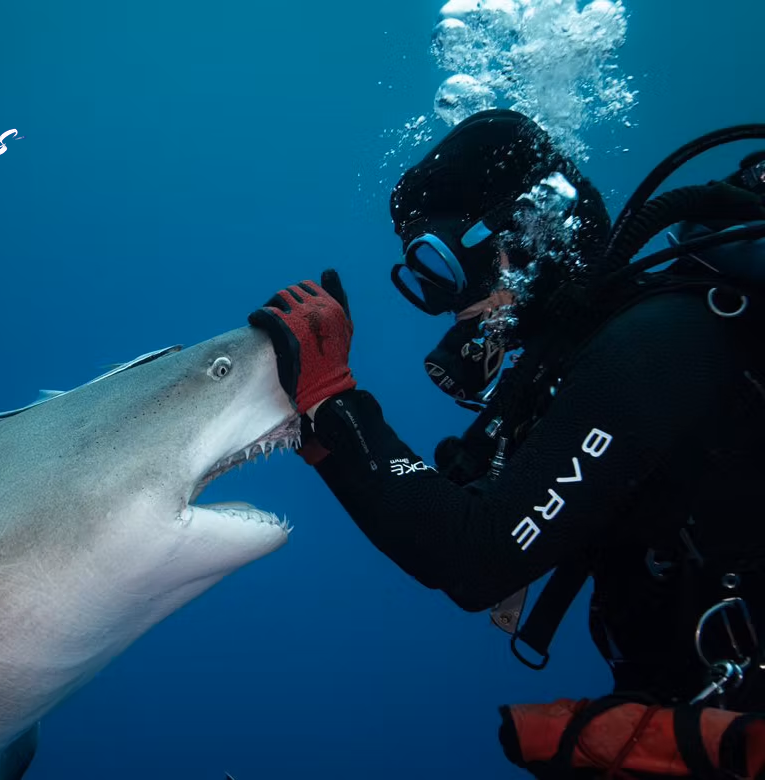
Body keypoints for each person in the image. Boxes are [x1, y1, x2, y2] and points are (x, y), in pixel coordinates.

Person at [248, 108, 765, 777]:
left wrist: (334, 406)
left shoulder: (658, 347)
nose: (443, 307)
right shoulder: (599, 362)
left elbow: (479, 555)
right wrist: (323, 430)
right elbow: (461, 525)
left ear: (522, 235)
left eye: (437, 266)